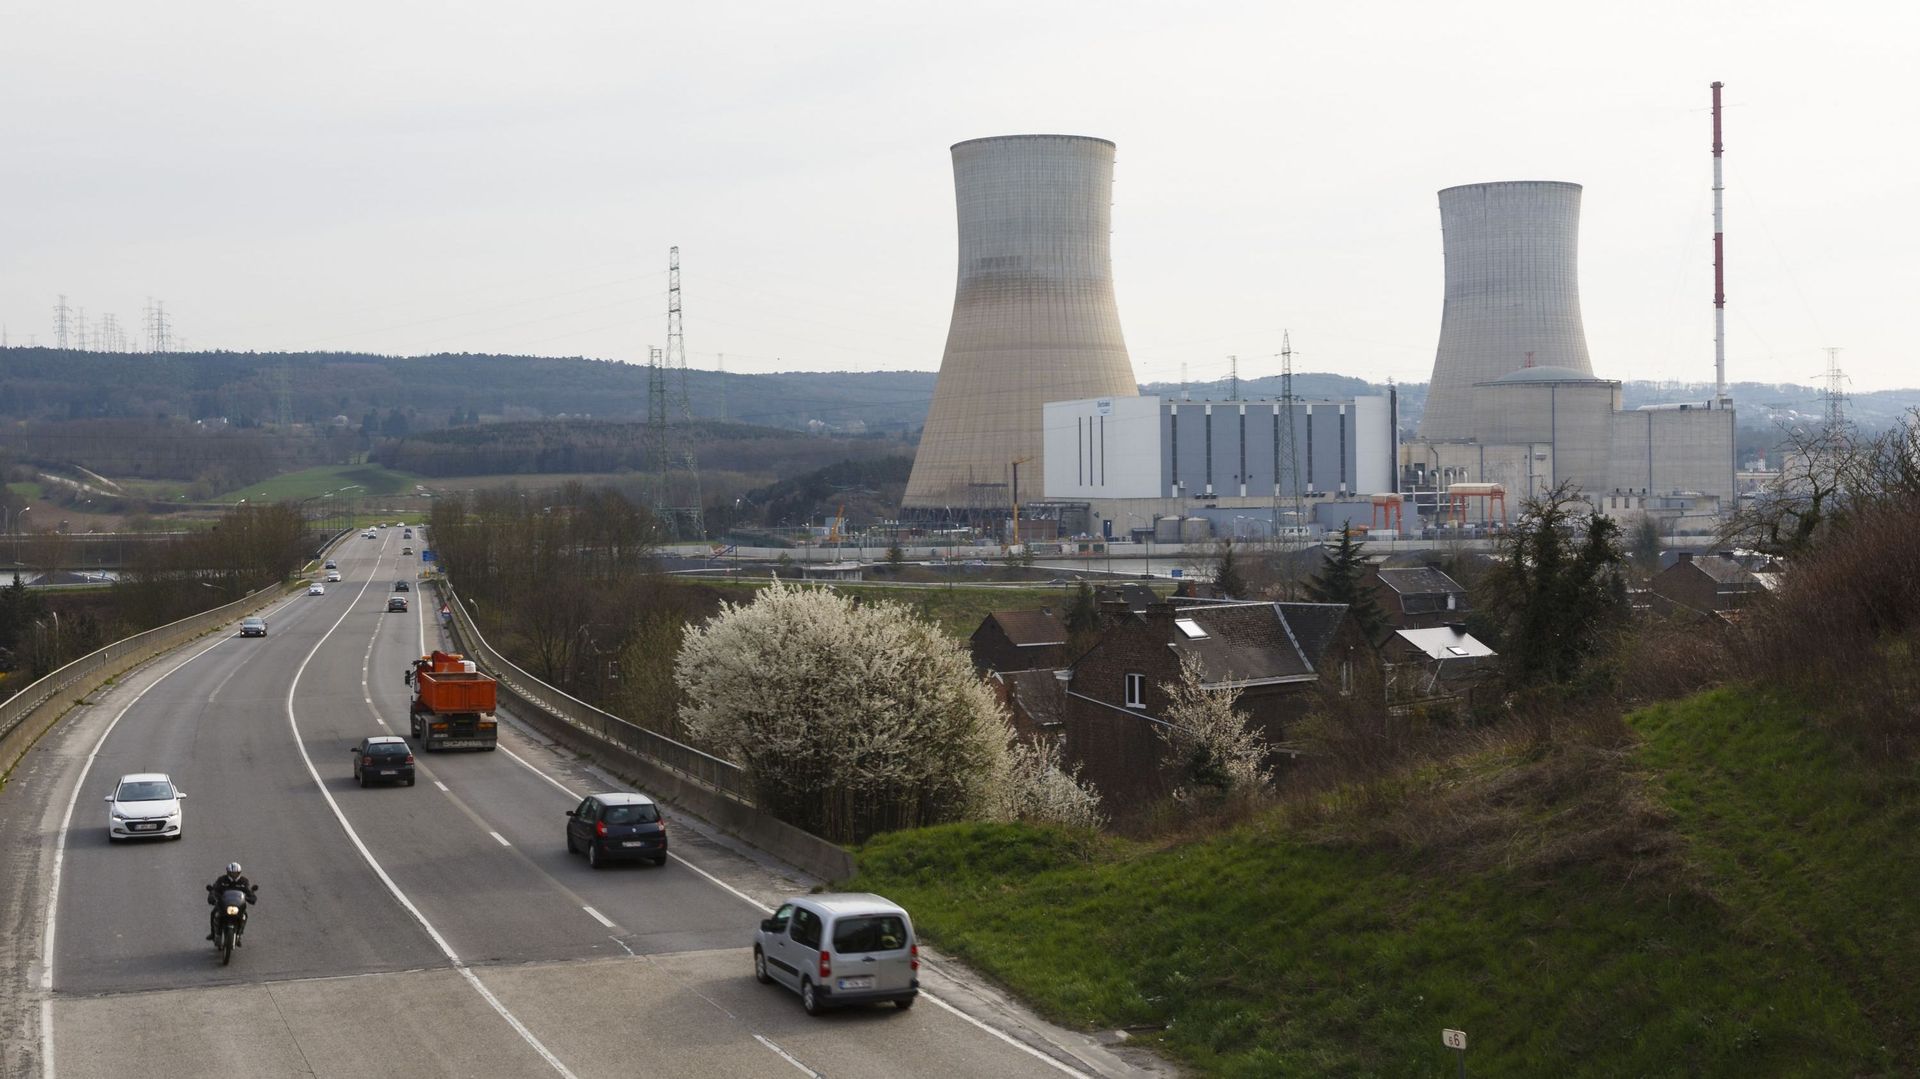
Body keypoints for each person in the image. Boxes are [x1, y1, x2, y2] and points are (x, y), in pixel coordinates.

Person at [206, 862, 256, 942]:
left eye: (236, 873)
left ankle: (239, 934)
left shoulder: (244, 881)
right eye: (232, 873)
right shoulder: (222, 880)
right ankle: (213, 933)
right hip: (224, 904)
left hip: (238, 905)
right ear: (228, 872)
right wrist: (212, 896)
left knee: (244, 915)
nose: (234, 875)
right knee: (214, 913)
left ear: (239, 873)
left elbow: (249, 892)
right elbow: (214, 890)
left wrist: (252, 897)